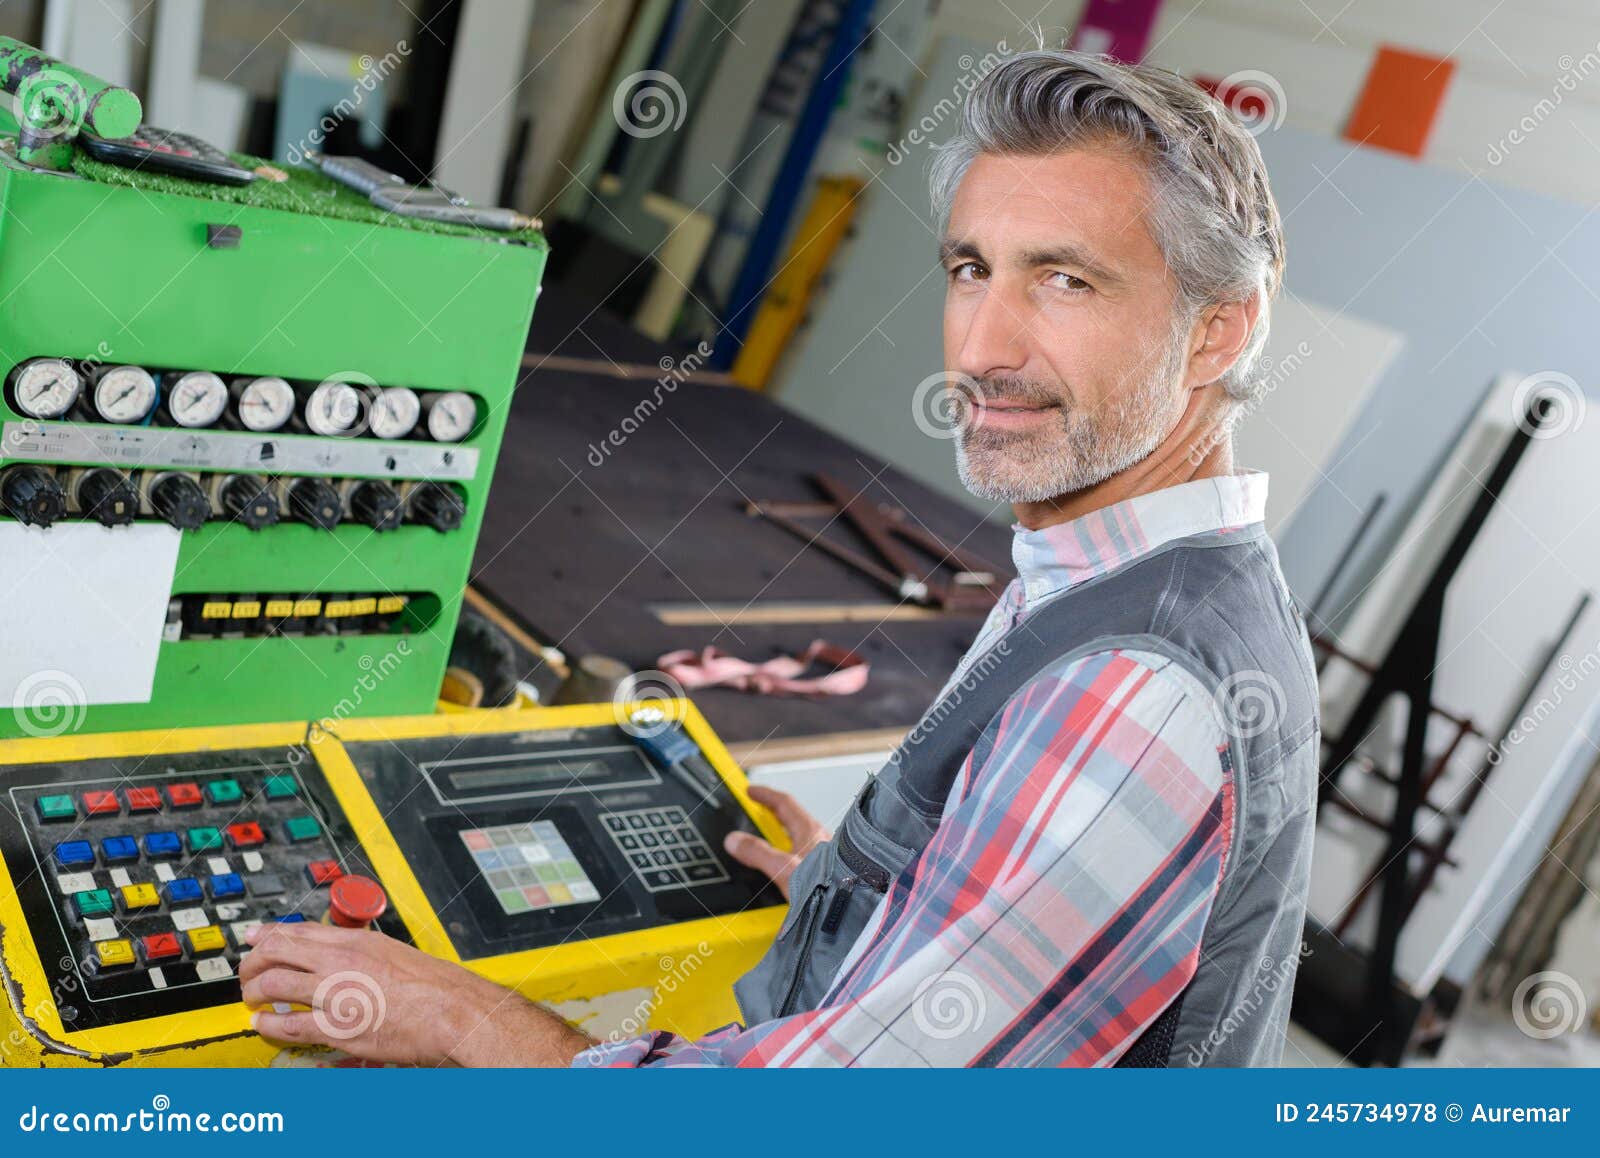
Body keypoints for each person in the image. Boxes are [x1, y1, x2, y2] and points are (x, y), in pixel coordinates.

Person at [239, 48, 1317, 1068]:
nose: (982, 348)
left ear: (1218, 332)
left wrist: (459, 1017)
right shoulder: (1158, 576)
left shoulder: (1134, 686)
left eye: (1066, 282)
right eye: (971, 268)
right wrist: (857, 888)